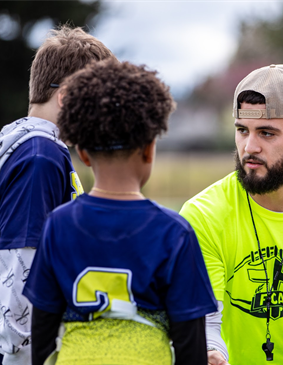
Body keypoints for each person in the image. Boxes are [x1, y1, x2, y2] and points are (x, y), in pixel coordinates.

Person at [23, 59, 217, 365]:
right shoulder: (174, 232)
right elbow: (190, 343)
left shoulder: (57, 224)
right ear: (149, 149)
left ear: (83, 154)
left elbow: (42, 327)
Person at [0, 25, 115, 365]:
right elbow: (20, 259)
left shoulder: (41, 149)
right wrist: (25, 354)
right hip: (31, 346)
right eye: (96, 100)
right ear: (66, 96)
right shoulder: (40, 156)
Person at [178, 64, 283, 365]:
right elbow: (208, 322)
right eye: (242, 130)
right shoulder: (204, 214)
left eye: (267, 133)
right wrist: (212, 353)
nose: (249, 147)